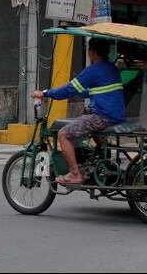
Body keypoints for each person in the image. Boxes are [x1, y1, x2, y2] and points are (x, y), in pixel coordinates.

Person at [32, 38, 125, 185]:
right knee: (87, 122)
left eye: (89, 51)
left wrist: (45, 93)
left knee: (63, 134)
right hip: (116, 115)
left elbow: (68, 90)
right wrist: (79, 91)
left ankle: (75, 173)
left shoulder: (92, 71)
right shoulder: (112, 68)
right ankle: (98, 159)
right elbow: (96, 91)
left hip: (103, 116)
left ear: (92, 52)